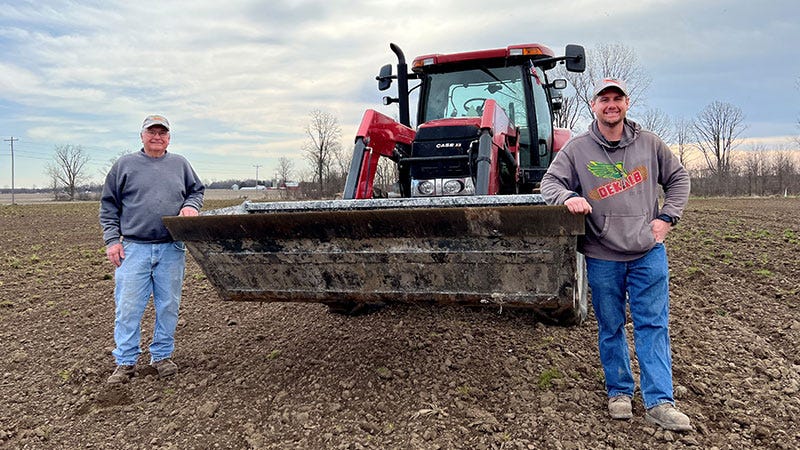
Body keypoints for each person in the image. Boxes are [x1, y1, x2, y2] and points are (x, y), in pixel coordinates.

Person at [540, 78, 692, 431]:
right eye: (604, 99)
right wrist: (567, 197)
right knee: (611, 326)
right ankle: (619, 391)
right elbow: (550, 183)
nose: (611, 104)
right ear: (594, 105)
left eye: (617, 99)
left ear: (627, 104)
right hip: (603, 255)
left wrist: (667, 218)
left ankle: (660, 401)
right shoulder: (577, 150)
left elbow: (679, 179)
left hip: (647, 253)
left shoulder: (650, 144)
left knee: (653, 325)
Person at [100, 114, 204, 384]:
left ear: (169, 137)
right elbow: (109, 206)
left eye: (162, 133)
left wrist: (191, 206)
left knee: (168, 305)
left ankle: (161, 356)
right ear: (142, 135)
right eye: (152, 132)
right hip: (134, 248)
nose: (157, 137)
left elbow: (197, 191)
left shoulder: (180, 164)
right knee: (128, 307)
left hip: (171, 247)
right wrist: (112, 241)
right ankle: (125, 362)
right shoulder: (125, 165)